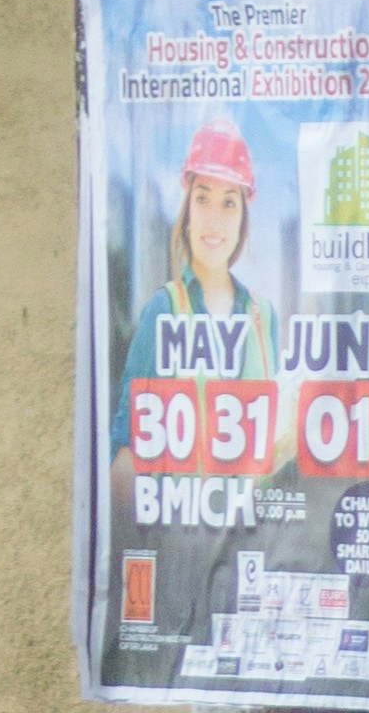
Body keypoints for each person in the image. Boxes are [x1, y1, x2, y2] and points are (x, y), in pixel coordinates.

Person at [102, 120, 282, 675]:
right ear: (186, 208)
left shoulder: (260, 317)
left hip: (238, 563)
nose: (214, 217)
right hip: (177, 558)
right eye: (202, 198)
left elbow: (266, 453)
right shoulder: (164, 311)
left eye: (229, 202)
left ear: (244, 217)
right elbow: (125, 456)